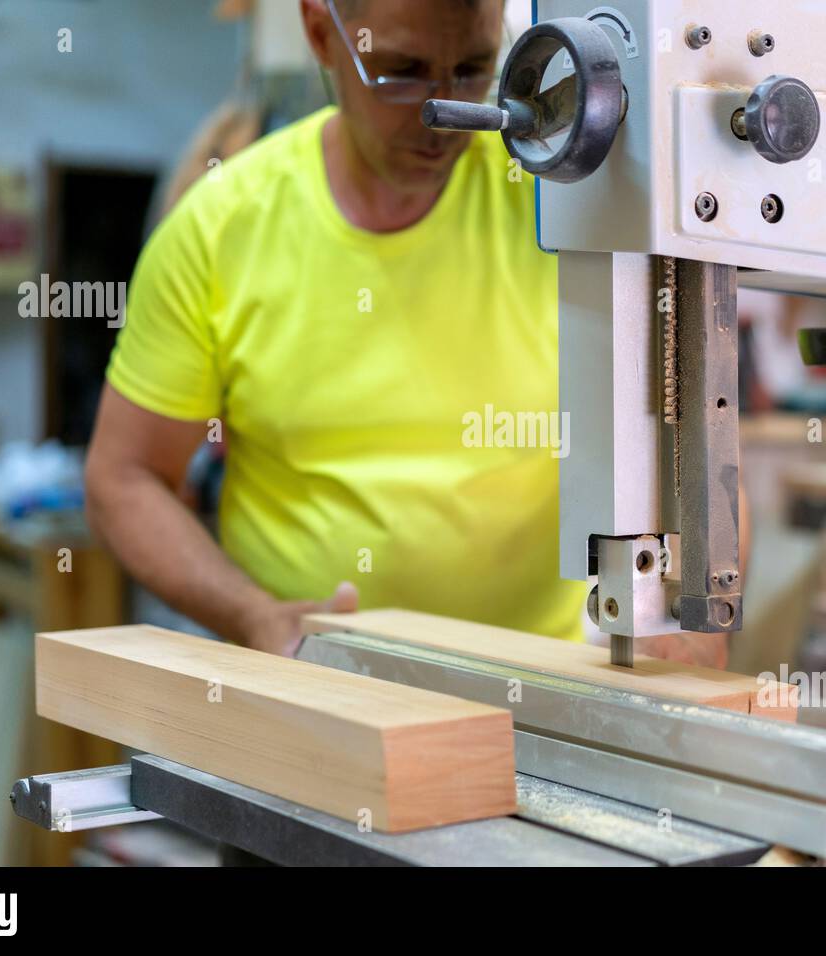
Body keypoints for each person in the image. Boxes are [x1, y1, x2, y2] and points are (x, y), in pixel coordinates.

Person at [84, 0, 587, 657]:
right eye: (401, 72)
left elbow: (684, 437)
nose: (443, 115)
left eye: (472, 70)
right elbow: (123, 479)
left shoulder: (564, 209)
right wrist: (256, 615)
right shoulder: (221, 229)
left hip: (544, 696)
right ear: (322, 34)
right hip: (314, 697)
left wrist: (684, 620)